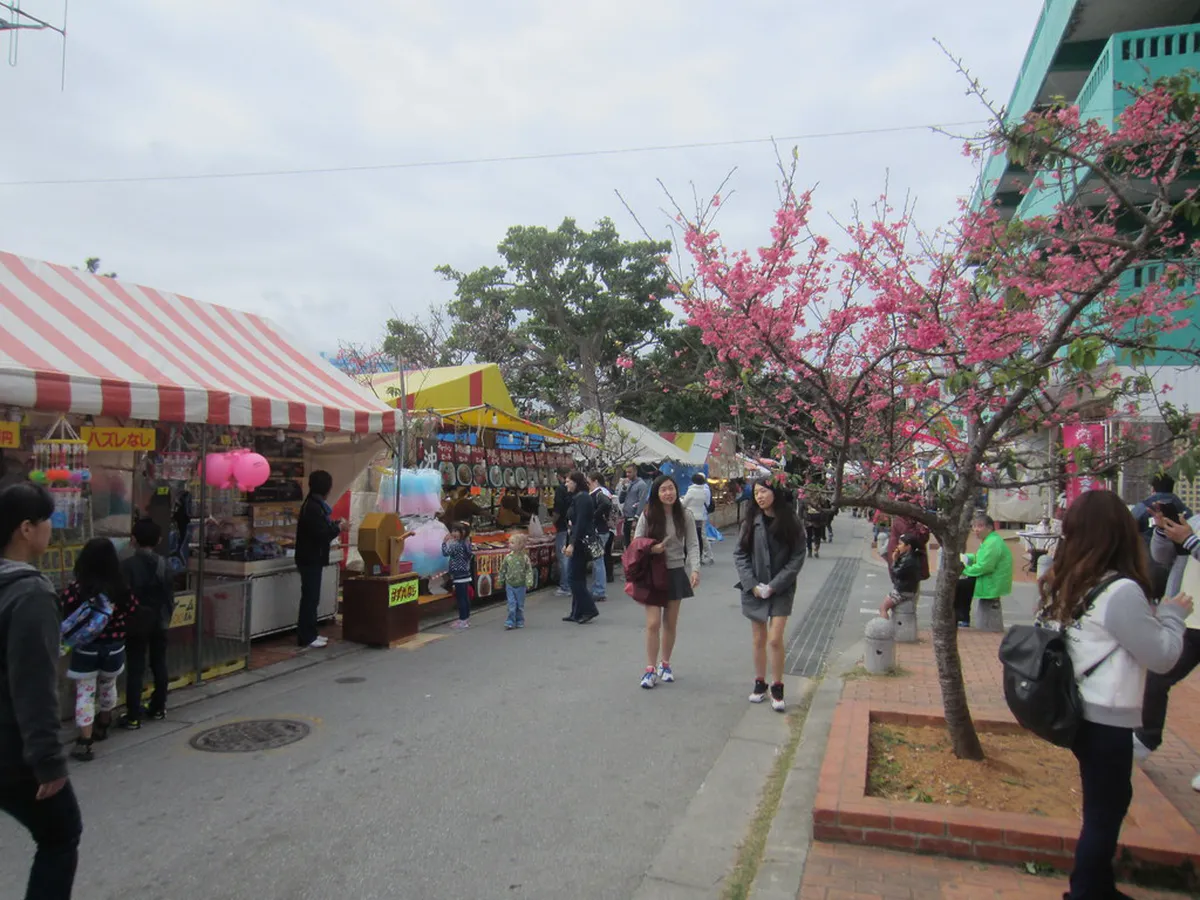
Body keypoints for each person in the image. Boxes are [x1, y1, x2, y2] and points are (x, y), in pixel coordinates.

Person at [1037, 489, 1190, 900]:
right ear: (1120, 533)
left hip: (1081, 710)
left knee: (1108, 804)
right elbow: (1162, 658)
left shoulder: (1067, 576)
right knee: (1104, 815)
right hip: (1107, 718)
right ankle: (1086, 892)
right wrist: (1174, 616)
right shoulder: (1120, 591)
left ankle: (1098, 885)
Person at [0, 482, 82, 900]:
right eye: (48, 519)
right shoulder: (30, 594)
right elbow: (33, 683)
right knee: (61, 834)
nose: (53, 527)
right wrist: (48, 761)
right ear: (26, 530)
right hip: (13, 749)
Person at [1134, 506, 1200, 786]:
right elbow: (1162, 557)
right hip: (1190, 618)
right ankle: (1145, 740)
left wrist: (1190, 541)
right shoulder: (1195, 520)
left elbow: (1191, 546)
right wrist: (1163, 531)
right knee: (1158, 675)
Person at [61, 538, 138, 762]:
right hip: (114, 647)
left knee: (85, 693)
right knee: (108, 685)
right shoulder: (120, 588)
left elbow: (64, 610)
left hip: (86, 649)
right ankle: (104, 722)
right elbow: (133, 609)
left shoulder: (77, 589)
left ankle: (85, 741)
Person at [734, 478, 805, 712]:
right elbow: (740, 555)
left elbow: (797, 557)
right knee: (758, 638)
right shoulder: (751, 522)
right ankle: (759, 682)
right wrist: (752, 584)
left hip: (781, 588)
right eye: (756, 493)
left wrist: (774, 585)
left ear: (774, 492)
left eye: (764, 491)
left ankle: (777, 686)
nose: (759, 496)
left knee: (775, 638)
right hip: (753, 587)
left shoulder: (791, 522)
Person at [632, 475, 700, 687]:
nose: (668, 493)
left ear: (677, 491)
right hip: (653, 571)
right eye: (663, 490)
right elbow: (636, 543)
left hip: (676, 570)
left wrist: (695, 568)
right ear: (657, 493)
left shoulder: (685, 515)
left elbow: (693, 543)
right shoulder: (648, 514)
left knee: (670, 623)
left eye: (671, 489)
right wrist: (652, 549)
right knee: (653, 624)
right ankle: (650, 669)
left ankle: (665, 663)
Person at [119, 518, 174, 730]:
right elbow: (170, 595)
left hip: (135, 623)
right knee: (159, 663)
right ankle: (159, 706)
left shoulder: (127, 566)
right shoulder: (165, 564)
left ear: (133, 540)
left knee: (136, 667)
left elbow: (123, 595)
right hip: (159, 621)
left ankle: (133, 715)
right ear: (159, 539)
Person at [294, 470, 342, 649]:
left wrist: (335, 525)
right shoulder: (314, 507)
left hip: (311, 557)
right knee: (310, 598)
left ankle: (311, 633)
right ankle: (306, 636)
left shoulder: (314, 504)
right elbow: (322, 533)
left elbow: (322, 528)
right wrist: (339, 528)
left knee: (312, 597)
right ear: (326, 488)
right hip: (310, 557)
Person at [957, 513, 1013, 628]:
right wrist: (966, 557)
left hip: (991, 581)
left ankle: (962, 617)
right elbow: (980, 558)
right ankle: (962, 617)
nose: (976, 529)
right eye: (974, 526)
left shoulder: (992, 543)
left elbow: (985, 566)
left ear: (990, 528)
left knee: (961, 586)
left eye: (980, 526)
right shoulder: (989, 540)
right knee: (961, 587)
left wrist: (964, 569)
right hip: (989, 580)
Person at [562, 471, 600, 625]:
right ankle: (576, 611)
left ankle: (589, 608)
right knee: (577, 577)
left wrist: (572, 543)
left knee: (573, 578)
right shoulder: (577, 498)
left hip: (580, 543)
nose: (566, 484)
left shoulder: (583, 498)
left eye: (568, 481)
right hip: (576, 541)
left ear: (576, 482)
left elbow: (581, 523)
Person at [879, 533, 923, 619]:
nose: (898, 546)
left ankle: (884, 629)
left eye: (901, 544)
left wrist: (894, 560)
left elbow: (896, 572)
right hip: (908, 589)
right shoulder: (911, 557)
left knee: (883, 608)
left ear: (908, 546)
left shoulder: (909, 560)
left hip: (902, 591)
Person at [441, 522, 474, 629]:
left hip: (458, 574)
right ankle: (466, 618)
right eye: (453, 531)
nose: (453, 533)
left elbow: (445, 553)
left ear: (462, 533)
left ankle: (462, 620)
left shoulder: (456, 545)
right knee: (465, 597)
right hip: (465, 573)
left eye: (456, 531)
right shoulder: (466, 543)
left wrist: (444, 542)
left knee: (461, 598)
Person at [499, 533, 535, 630]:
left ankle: (519, 620)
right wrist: (500, 579)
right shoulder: (507, 557)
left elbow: (529, 570)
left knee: (519, 605)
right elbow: (503, 569)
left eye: (512, 543)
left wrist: (529, 581)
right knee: (511, 604)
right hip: (510, 584)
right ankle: (510, 621)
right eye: (509, 542)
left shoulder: (525, 558)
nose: (509, 544)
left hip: (521, 585)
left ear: (520, 545)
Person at [588, 472, 615, 601]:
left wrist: (594, 515)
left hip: (598, 530)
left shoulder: (599, 493)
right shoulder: (605, 492)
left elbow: (605, 504)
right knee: (598, 560)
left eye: (589, 482)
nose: (588, 485)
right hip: (603, 529)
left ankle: (599, 590)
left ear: (595, 481)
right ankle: (597, 589)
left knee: (598, 561)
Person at [681, 473, 714, 566]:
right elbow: (707, 503)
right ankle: (699, 557)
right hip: (700, 517)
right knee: (698, 538)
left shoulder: (691, 491)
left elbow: (684, 504)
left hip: (690, 517)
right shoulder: (704, 491)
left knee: (688, 537)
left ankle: (684, 558)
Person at [619, 463, 650, 551]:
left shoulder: (641, 485)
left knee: (634, 544)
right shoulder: (628, 484)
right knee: (627, 544)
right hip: (626, 517)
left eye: (630, 472)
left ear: (635, 472)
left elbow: (642, 502)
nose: (628, 474)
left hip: (634, 519)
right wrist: (624, 488)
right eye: (626, 472)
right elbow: (621, 500)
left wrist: (636, 518)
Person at [552, 468, 572, 597]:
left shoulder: (560, 489)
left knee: (563, 556)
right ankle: (569, 584)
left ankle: (565, 586)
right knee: (568, 557)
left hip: (563, 527)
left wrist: (552, 522)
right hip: (570, 526)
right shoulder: (578, 492)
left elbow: (558, 509)